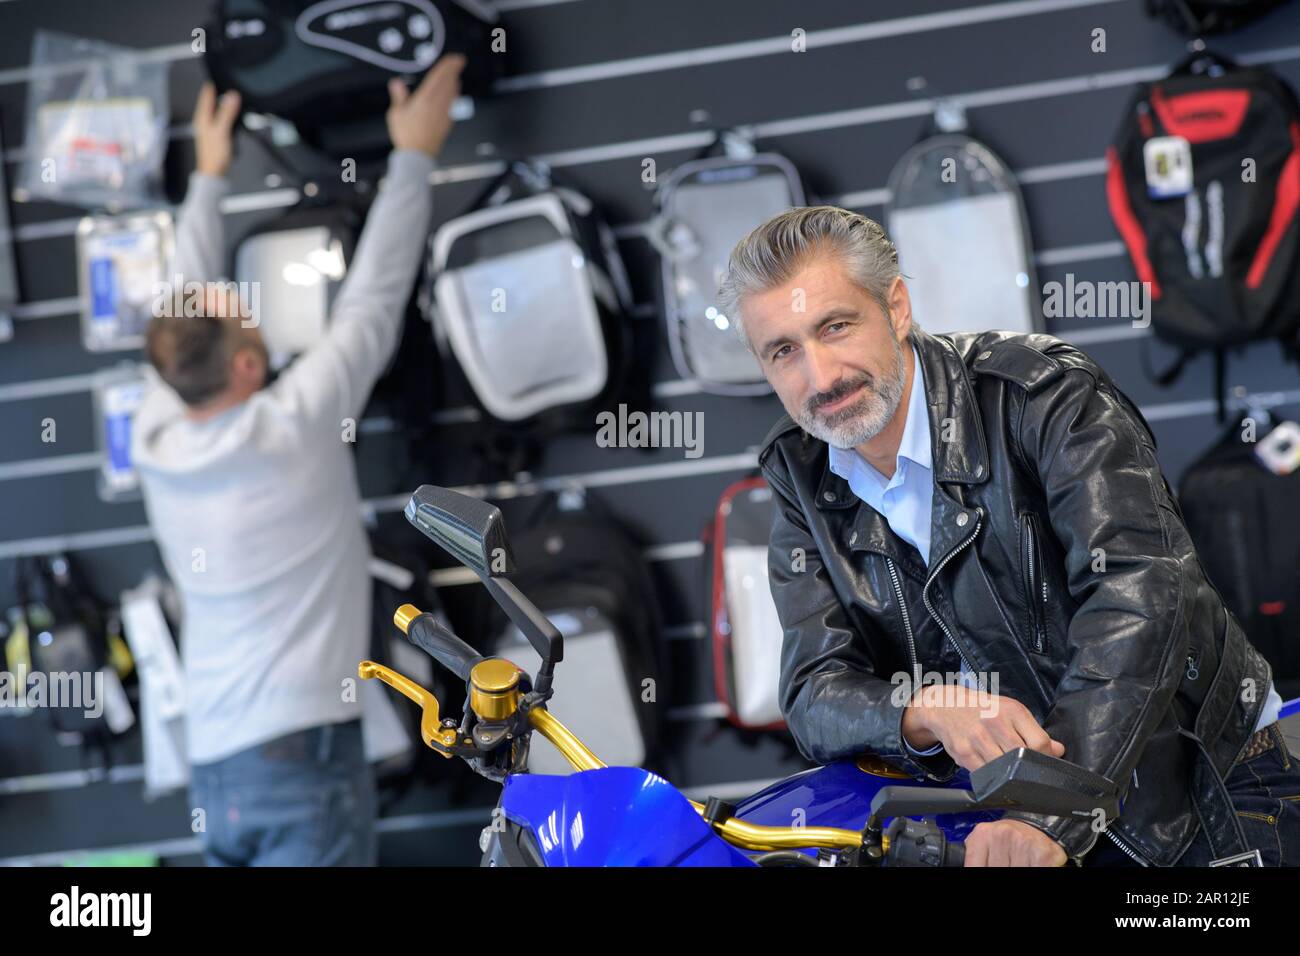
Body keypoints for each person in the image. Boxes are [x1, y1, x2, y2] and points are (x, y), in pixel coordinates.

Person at [719, 205, 1300, 867]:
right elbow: (814, 692)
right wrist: (925, 708)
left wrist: (1051, 813)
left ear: (897, 307)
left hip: (1198, 800)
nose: (820, 379)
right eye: (784, 350)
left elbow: (1141, 596)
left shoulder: (1041, 394)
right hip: (1002, 822)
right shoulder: (802, 472)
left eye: (836, 326)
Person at [131, 55, 466, 865]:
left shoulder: (155, 437)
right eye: (246, 322)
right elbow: (374, 299)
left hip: (214, 764)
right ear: (247, 368)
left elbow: (185, 310)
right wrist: (415, 153)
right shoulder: (296, 423)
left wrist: (208, 180)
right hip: (301, 754)